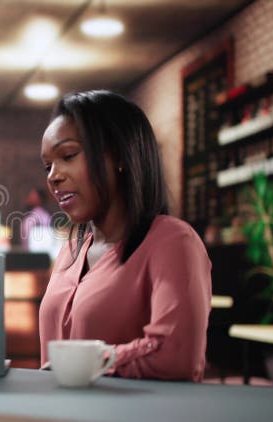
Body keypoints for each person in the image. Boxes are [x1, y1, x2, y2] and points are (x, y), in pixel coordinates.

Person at [38, 90, 211, 382]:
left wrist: (85, 362)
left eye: (68, 156)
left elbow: (176, 355)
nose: (53, 176)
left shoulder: (173, 241)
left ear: (119, 155)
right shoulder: (71, 251)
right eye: (47, 165)